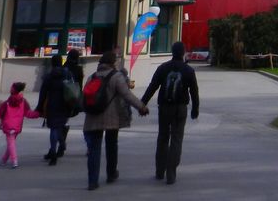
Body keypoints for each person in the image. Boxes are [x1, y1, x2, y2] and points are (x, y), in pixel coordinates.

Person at [82, 50, 149, 191]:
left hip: (93, 116)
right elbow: (127, 95)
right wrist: (141, 107)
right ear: (113, 63)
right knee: (112, 145)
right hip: (111, 117)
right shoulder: (116, 76)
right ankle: (111, 173)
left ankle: (92, 181)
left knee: (94, 149)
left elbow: (85, 96)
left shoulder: (92, 77)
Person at [140, 41, 200, 185]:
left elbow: (153, 86)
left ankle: (160, 171)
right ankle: (171, 173)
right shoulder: (188, 70)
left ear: (172, 52)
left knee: (162, 138)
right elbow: (194, 92)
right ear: (183, 52)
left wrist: (142, 103)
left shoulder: (163, 68)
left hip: (165, 108)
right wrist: (195, 109)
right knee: (176, 139)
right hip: (180, 108)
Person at [36, 54, 74, 165]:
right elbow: (73, 88)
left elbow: (43, 93)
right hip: (65, 104)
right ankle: (62, 144)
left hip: (52, 104)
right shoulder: (67, 74)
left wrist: (40, 107)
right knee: (60, 126)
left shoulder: (48, 76)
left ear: (52, 63)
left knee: (54, 128)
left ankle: (53, 151)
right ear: (61, 62)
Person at [0, 82, 40, 168]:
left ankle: (14, 160)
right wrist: (38, 114)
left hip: (8, 125)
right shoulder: (23, 101)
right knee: (11, 143)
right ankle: (4, 160)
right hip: (17, 126)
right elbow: (28, 113)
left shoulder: (7, 103)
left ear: (13, 90)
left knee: (11, 144)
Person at [59, 48, 85, 157]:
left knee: (62, 120)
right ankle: (62, 141)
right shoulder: (79, 69)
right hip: (74, 96)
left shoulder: (64, 67)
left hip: (63, 96)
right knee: (66, 118)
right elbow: (80, 84)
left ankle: (61, 142)